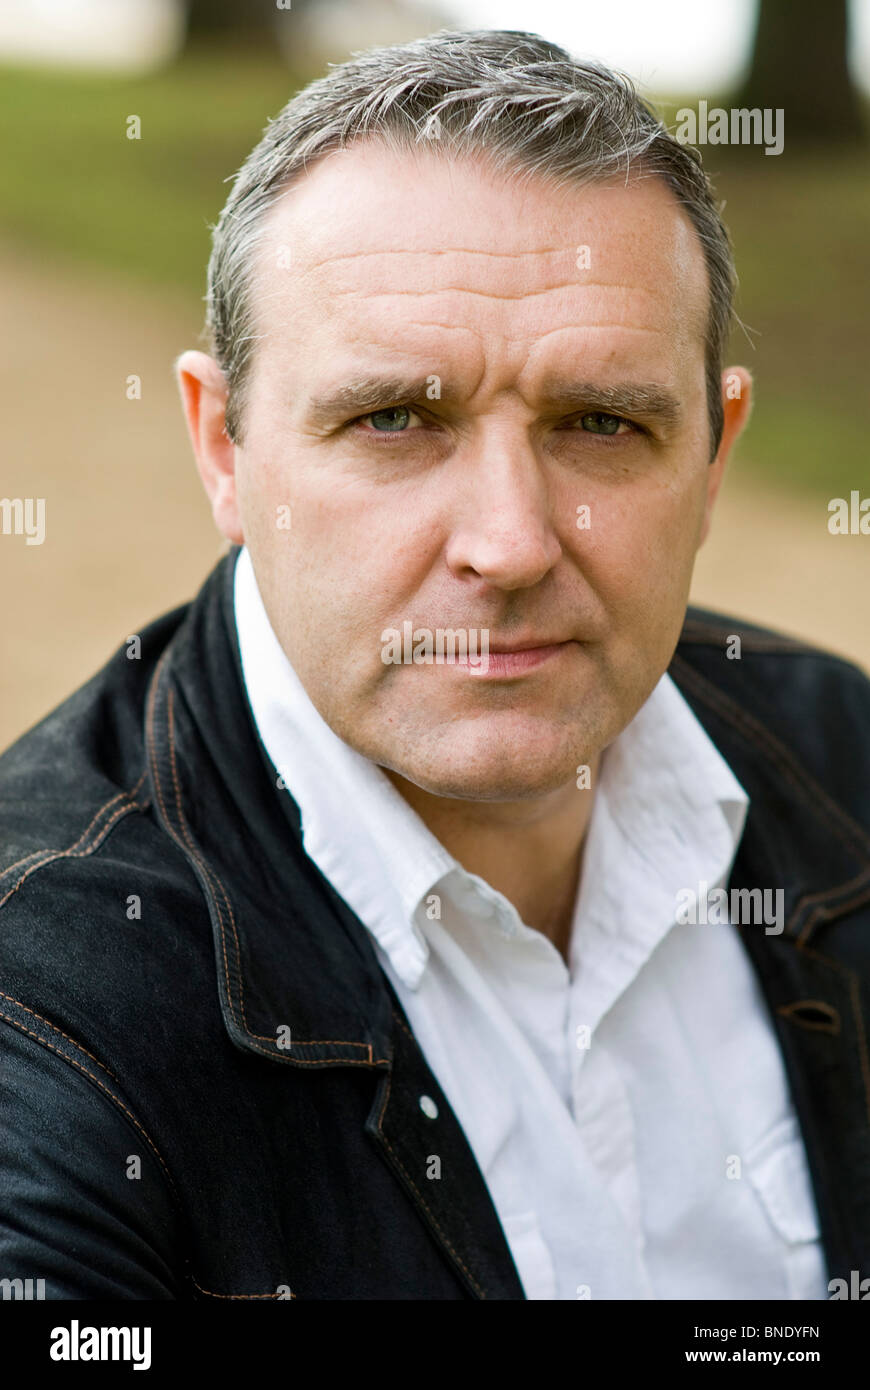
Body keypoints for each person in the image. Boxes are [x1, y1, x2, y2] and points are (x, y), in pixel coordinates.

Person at [1, 29, 868, 1302]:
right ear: (224, 447)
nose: (510, 544)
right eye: (395, 418)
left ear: (716, 455)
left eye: (602, 423)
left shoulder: (844, 757)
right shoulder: (43, 1005)